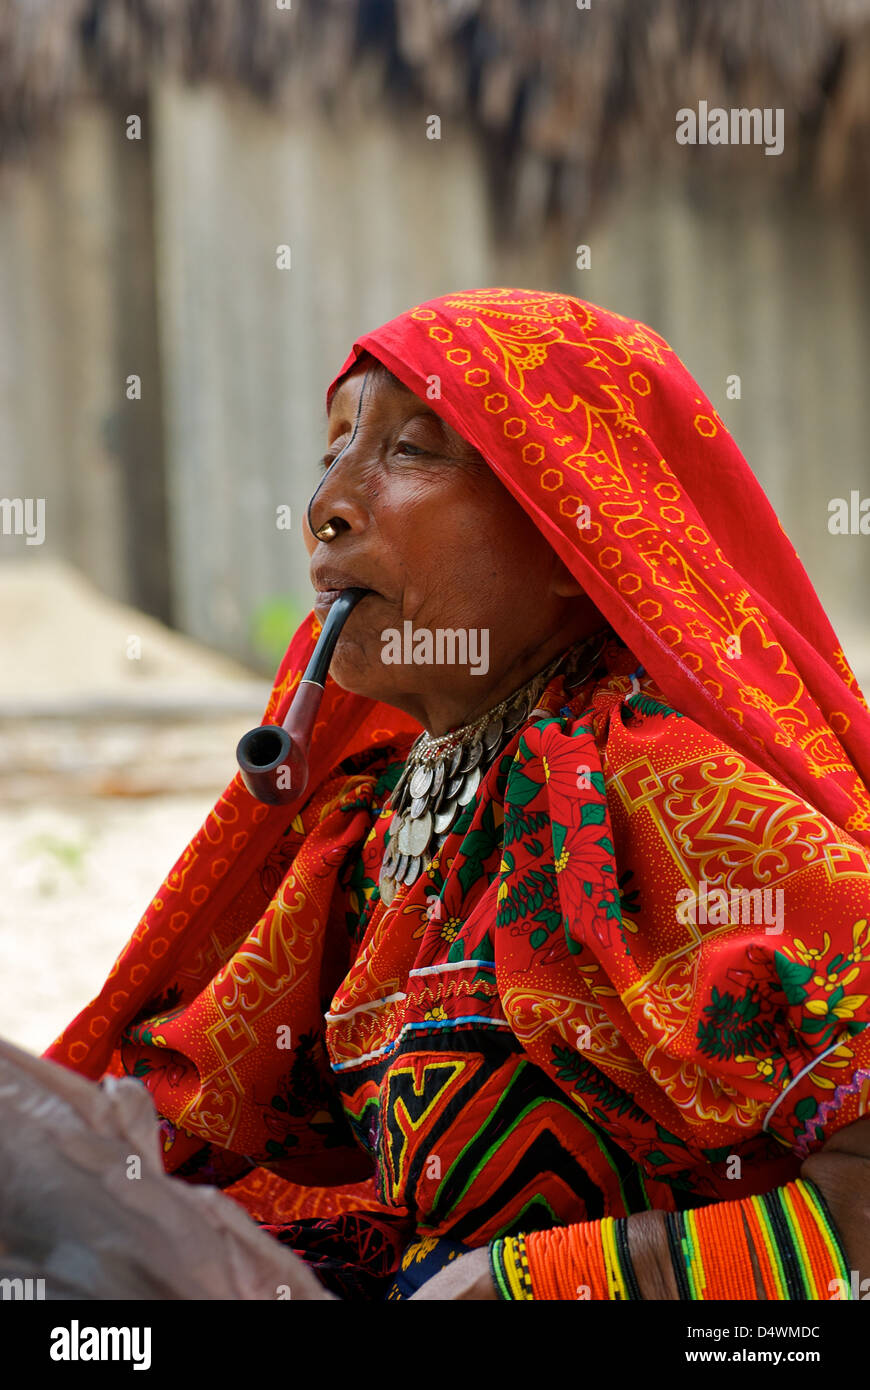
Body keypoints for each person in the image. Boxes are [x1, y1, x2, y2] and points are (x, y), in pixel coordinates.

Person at [46, 287, 870, 1300]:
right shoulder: (379, 822)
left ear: (574, 528)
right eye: (332, 452)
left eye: (413, 449)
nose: (327, 505)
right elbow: (187, 1107)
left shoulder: (653, 782)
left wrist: (552, 1280)